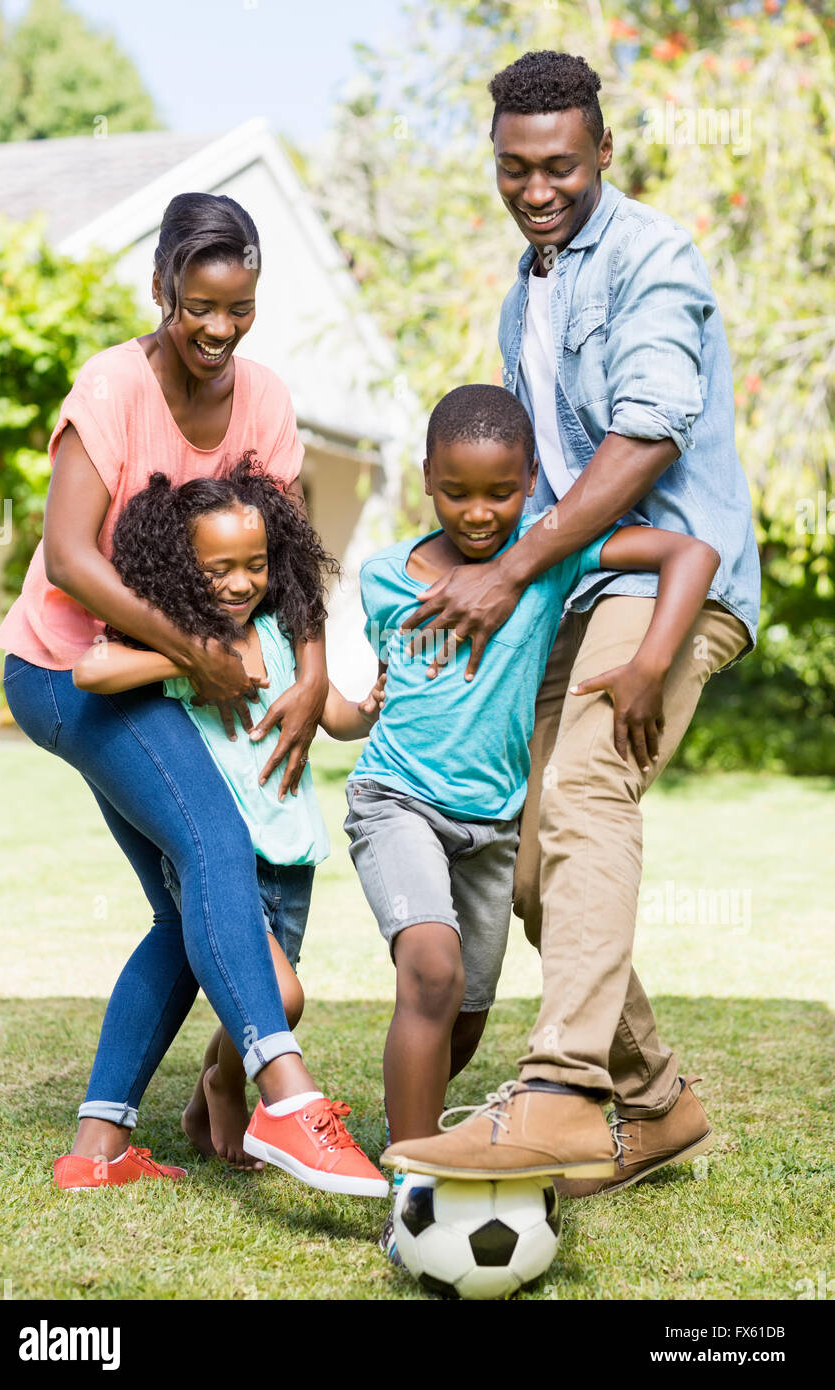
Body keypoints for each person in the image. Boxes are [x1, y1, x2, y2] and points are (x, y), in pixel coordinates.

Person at [382, 52, 761, 1193]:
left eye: (557, 166)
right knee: (535, 855)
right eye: (512, 167)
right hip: (580, 586)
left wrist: (522, 579)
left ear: (601, 153)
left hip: (661, 580)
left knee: (587, 793)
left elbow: (642, 438)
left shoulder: (650, 258)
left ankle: (561, 1088)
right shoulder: (526, 286)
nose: (534, 187)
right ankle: (652, 1104)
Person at [0, 191, 386, 1198]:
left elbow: (291, 552)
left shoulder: (263, 398)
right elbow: (71, 560)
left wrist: (307, 675)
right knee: (212, 841)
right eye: (196, 305)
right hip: (68, 671)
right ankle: (287, 1098)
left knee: (188, 912)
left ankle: (98, 1148)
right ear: (160, 287)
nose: (216, 329)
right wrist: (199, 653)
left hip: (161, 668)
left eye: (237, 307)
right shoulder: (113, 386)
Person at [348, 383, 720, 1257]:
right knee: (431, 974)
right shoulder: (380, 578)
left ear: (531, 488)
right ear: (427, 481)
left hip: (491, 827)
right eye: (456, 491)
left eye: (502, 492)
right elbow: (401, 685)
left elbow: (693, 554)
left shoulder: (550, 557)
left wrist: (649, 664)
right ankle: (413, 1191)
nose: (479, 513)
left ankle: (417, 1120)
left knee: (464, 1018)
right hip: (396, 800)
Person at [73, 459, 386, 1177]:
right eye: (219, 568)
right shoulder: (184, 644)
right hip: (221, 862)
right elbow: (90, 673)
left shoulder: (278, 633)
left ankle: (214, 1084)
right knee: (281, 994)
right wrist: (185, 659)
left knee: (257, 999)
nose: (242, 583)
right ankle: (230, 1087)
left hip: (290, 858)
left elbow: (333, 716)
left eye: (256, 564)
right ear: (184, 569)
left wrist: (368, 708)